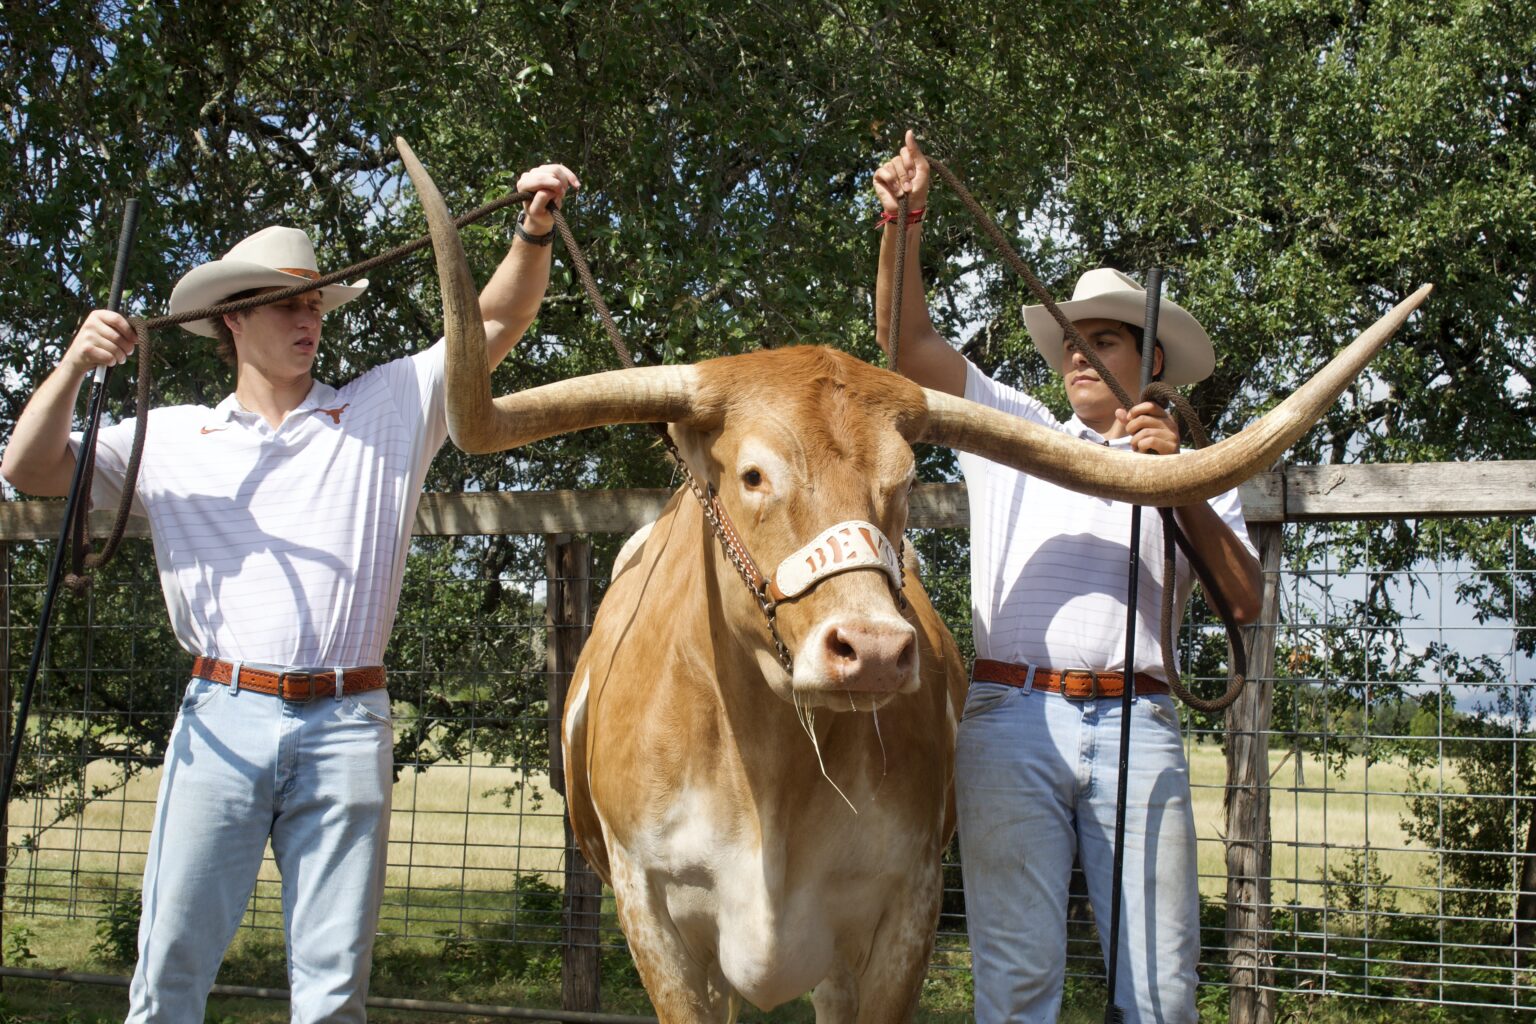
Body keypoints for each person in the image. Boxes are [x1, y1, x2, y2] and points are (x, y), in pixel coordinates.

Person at [0, 161, 580, 1023]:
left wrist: (532, 230)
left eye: (315, 304)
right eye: (286, 305)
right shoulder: (173, 436)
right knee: (167, 977)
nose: (309, 317)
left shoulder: (385, 407)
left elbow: (494, 319)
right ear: (233, 320)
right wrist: (76, 366)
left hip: (350, 724)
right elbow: (30, 468)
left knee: (333, 996)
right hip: (220, 718)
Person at [873, 131, 1263, 1023]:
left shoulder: (1201, 466)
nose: (1079, 356)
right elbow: (907, 346)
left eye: (1107, 341)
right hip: (1013, 718)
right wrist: (904, 220)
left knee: (1160, 995)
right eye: (1072, 343)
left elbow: (1242, 603)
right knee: (1015, 988)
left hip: (1145, 717)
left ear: (1153, 364)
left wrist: (1178, 482)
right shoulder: (1013, 426)